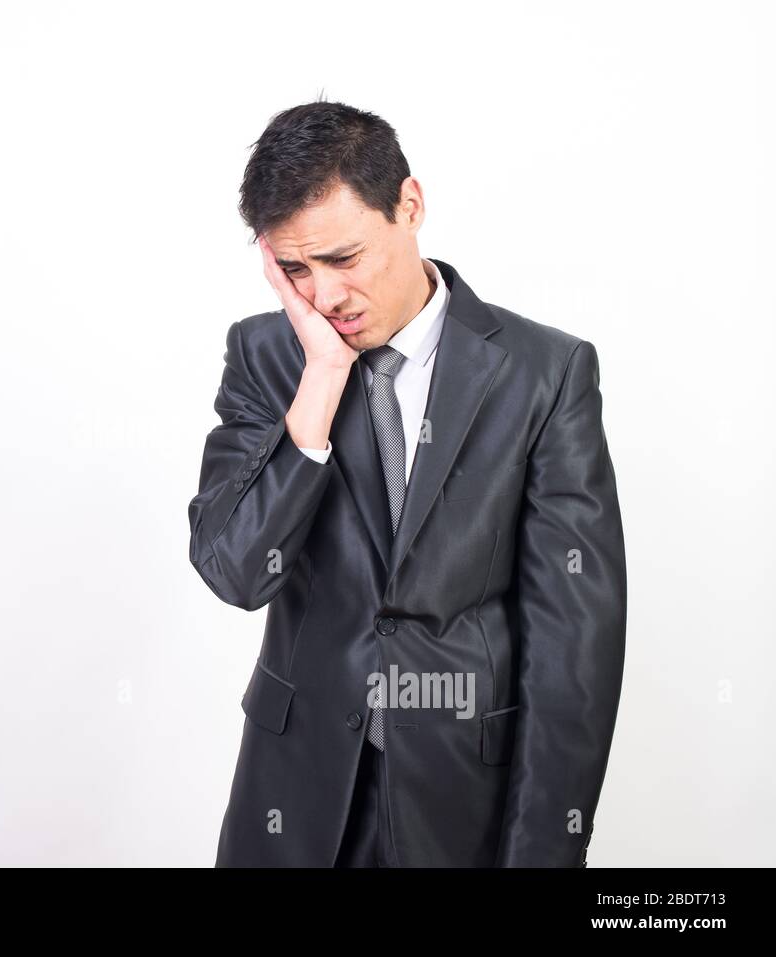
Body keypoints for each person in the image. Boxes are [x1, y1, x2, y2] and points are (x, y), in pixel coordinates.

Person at [187, 99, 627, 867]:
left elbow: (573, 646)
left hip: (461, 805)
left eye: (343, 258)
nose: (325, 296)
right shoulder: (267, 356)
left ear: (410, 206)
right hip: (294, 799)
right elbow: (234, 569)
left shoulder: (545, 374)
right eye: (296, 270)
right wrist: (321, 380)